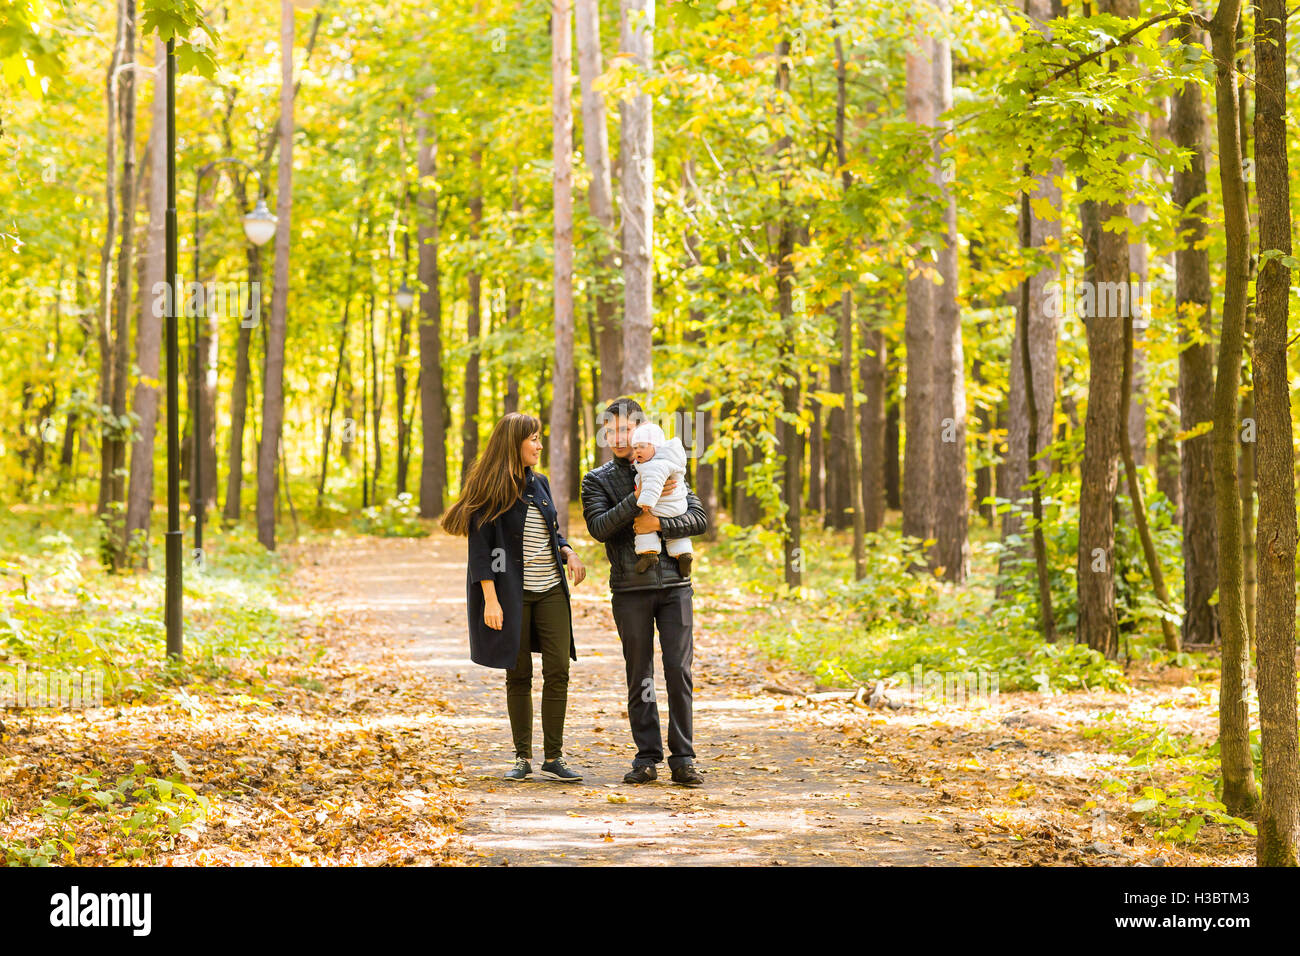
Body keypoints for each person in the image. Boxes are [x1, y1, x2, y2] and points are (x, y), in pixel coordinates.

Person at [441, 412, 587, 782]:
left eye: (539, 438)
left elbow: (550, 531)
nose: (539, 445)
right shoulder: (490, 491)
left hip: (551, 588)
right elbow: (481, 551)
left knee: (559, 670)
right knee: (518, 673)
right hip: (511, 593)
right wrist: (490, 599)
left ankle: (553, 757)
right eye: (534, 439)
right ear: (514, 443)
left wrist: (568, 551)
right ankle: (522, 757)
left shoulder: (540, 483)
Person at [581, 398, 708, 787]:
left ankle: (683, 758)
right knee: (641, 674)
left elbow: (699, 519)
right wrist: (638, 500)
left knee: (678, 671)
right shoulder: (596, 479)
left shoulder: (670, 463)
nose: (619, 437)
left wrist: (660, 523)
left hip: (676, 586)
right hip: (630, 588)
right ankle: (647, 757)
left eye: (626, 429)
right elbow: (599, 527)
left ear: (641, 429)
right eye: (611, 430)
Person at [629, 421, 693, 577]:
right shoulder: (669, 461)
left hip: (661, 506)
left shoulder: (654, 465)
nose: (637, 451)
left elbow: (652, 485)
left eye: (642, 447)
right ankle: (683, 554)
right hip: (678, 507)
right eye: (635, 447)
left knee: (643, 523)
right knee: (676, 534)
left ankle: (648, 553)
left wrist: (645, 501)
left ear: (655, 447)